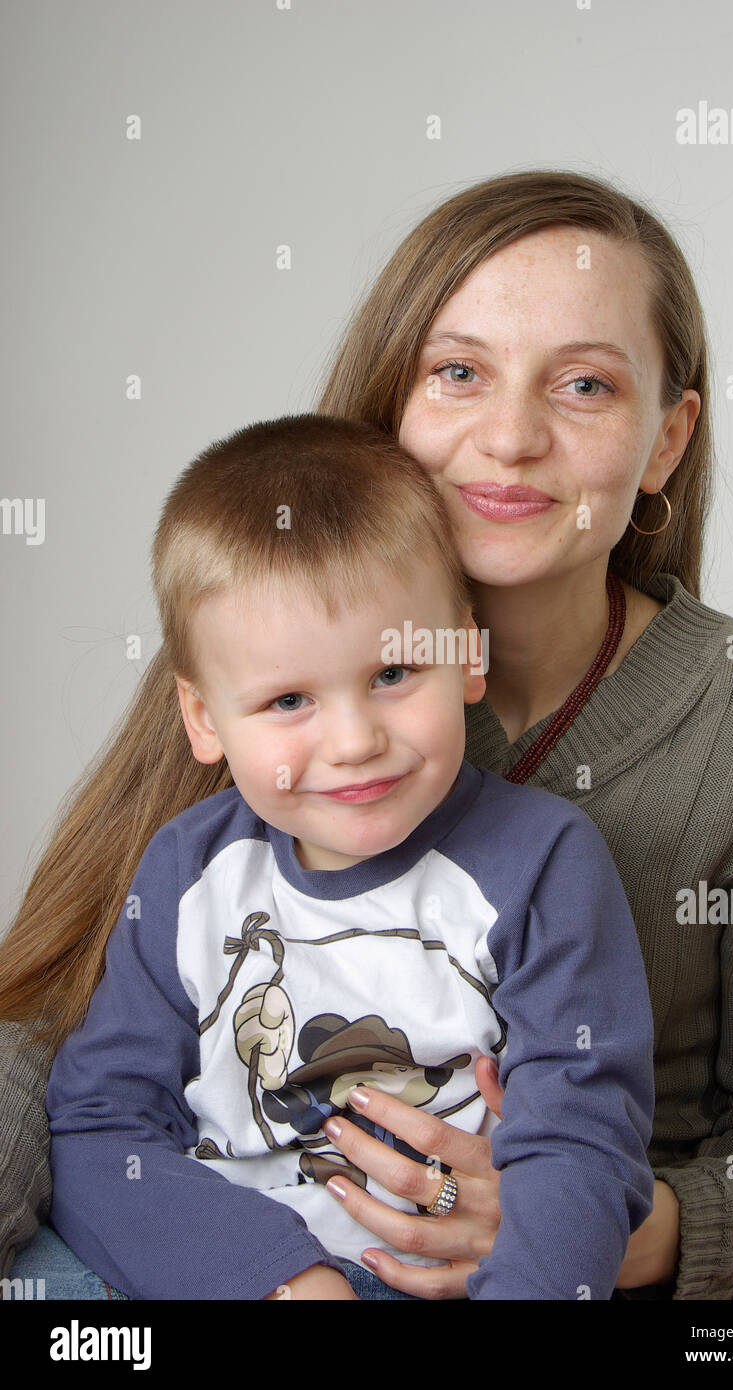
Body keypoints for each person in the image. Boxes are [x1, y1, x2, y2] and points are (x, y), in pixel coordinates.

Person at [2, 169, 733, 1301]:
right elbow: (61, 1021)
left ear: (665, 440)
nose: (509, 438)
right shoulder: (266, 656)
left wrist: (599, 1226)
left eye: (586, 386)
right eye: (459, 373)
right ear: (389, 408)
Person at [41, 413, 656, 1301]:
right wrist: (278, 1279)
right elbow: (99, 1126)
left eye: (394, 674)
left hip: (423, 1278)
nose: (355, 740)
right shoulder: (187, 874)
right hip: (217, 1267)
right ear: (205, 719)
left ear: (468, 653)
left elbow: (579, 1144)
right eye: (290, 699)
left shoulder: (543, 862)